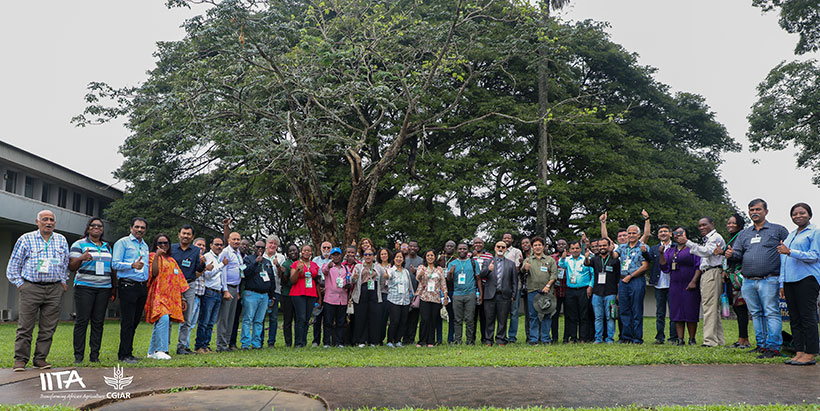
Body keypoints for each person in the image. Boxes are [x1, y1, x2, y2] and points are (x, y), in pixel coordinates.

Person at [725, 198, 790, 358]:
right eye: (751, 210)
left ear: (766, 211)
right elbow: (739, 254)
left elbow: (788, 253)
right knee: (755, 313)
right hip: (747, 280)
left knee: (771, 312)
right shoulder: (744, 233)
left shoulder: (778, 230)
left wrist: (783, 279)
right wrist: (731, 254)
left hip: (769, 279)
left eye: (758, 209)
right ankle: (761, 345)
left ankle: (773, 347)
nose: (754, 212)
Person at [7, 210, 69, 372]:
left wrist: (63, 281)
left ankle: (40, 359)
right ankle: (20, 360)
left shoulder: (61, 240)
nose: (49, 222)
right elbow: (13, 266)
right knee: (25, 326)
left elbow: (65, 264)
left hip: (54, 289)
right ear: (37, 221)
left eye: (52, 220)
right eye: (45, 219)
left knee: (48, 327)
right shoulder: (26, 239)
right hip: (31, 287)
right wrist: (21, 284)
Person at [68, 217, 115, 364]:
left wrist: (114, 289)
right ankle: (79, 356)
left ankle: (95, 356)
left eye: (100, 226)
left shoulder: (107, 246)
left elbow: (112, 269)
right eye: (93, 225)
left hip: (104, 288)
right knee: (82, 321)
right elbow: (71, 266)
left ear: (102, 229)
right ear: (88, 228)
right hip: (85, 287)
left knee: (98, 322)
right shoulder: (79, 244)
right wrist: (82, 257)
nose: (97, 228)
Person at [778, 202, 819, 366]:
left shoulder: (815, 232)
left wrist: (791, 251)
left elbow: (815, 256)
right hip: (789, 281)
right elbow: (783, 260)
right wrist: (781, 283)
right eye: (794, 214)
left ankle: (810, 353)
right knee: (794, 318)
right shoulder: (791, 235)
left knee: (807, 317)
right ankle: (799, 351)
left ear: (809, 214)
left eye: (802, 213)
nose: (798, 216)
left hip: (807, 279)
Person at [112, 217, 150, 364]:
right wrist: (131, 265)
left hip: (141, 286)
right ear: (131, 228)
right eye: (137, 227)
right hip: (128, 285)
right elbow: (115, 264)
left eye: (142, 228)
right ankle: (124, 354)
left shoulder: (145, 246)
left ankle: (129, 351)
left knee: (135, 321)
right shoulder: (122, 243)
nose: (139, 230)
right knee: (127, 321)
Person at [145, 234, 190, 360]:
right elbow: (153, 273)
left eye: (166, 243)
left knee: (162, 322)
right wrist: (157, 256)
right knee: (163, 319)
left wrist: (183, 298)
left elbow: (179, 280)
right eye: (160, 243)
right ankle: (161, 349)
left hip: (172, 298)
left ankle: (151, 351)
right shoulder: (152, 256)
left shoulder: (172, 260)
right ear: (156, 245)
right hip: (158, 295)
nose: (163, 245)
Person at [686, 217, 726, 347]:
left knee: (709, 307)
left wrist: (688, 242)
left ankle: (709, 341)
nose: (702, 228)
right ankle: (718, 340)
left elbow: (707, 252)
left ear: (712, 224)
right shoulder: (708, 239)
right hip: (707, 272)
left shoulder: (715, 237)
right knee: (713, 308)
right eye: (700, 226)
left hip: (712, 272)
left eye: (704, 225)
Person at [660, 227, 702, 345]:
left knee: (690, 310)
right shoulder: (670, 250)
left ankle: (692, 338)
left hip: (690, 283)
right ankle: (680, 339)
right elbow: (665, 268)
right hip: (675, 284)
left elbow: (699, 266)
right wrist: (661, 254)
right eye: (676, 233)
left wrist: (694, 281)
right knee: (676, 311)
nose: (678, 235)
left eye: (681, 233)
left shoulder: (692, 248)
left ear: (686, 234)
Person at [612, 219, 650, 344]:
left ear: (638, 235)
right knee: (624, 309)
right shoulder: (622, 247)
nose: (631, 235)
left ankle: (637, 338)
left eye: (634, 233)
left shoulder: (643, 247)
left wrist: (631, 276)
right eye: (629, 233)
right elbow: (613, 257)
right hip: (623, 280)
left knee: (636, 309)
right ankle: (626, 337)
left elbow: (645, 266)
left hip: (636, 280)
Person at [170, 225, 205, 355]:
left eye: (188, 234)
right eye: (183, 233)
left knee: (187, 318)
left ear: (192, 237)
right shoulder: (171, 248)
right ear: (179, 234)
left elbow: (198, 269)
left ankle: (182, 347)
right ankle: (164, 347)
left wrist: (202, 263)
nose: (186, 236)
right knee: (168, 317)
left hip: (189, 285)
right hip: (172, 286)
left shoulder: (196, 251)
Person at [479, 241, 518, 346]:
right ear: (495, 248)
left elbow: (514, 281)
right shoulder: (487, 262)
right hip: (490, 295)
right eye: (498, 247)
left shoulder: (511, 264)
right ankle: (488, 340)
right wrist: (488, 270)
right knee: (489, 319)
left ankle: (500, 339)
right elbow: (481, 275)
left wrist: (513, 295)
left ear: (505, 249)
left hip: (504, 296)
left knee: (502, 319)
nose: (500, 248)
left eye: (503, 247)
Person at [195, 237, 229, 354]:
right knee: (204, 321)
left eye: (221, 245)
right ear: (211, 245)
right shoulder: (207, 257)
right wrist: (221, 266)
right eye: (216, 244)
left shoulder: (220, 257)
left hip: (218, 292)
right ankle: (199, 345)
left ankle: (206, 345)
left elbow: (222, 276)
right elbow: (208, 275)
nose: (219, 247)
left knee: (211, 322)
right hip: (209, 292)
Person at [521, 237, 557, 345]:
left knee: (546, 315)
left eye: (539, 245)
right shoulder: (528, 260)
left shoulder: (549, 260)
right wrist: (525, 268)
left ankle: (546, 338)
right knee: (533, 316)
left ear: (543, 247)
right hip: (532, 291)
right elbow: (522, 271)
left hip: (546, 292)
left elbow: (554, 275)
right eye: (535, 245)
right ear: (532, 247)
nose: (537, 247)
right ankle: (534, 339)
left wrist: (548, 286)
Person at [240, 240, 276, 349]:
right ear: (254, 248)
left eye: (262, 247)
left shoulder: (267, 262)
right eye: (258, 247)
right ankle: (245, 344)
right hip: (251, 294)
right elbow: (245, 273)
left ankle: (256, 344)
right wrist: (255, 262)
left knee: (259, 321)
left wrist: (272, 295)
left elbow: (272, 279)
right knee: (248, 319)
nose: (260, 249)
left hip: (264, 295)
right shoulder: (247, 259)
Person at [723, 213, 751, 348]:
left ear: (740, 224)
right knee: (737, 308)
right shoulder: (732, 238)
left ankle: (744, 340)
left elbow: (742, 255)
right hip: (730, 276)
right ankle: (742, 339)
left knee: (741, 308)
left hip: (739, 277)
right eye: (729, 223)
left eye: (733, 223)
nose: (730, 225)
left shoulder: (742, 236)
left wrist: (731, 255)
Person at [586, 238, 620, 343]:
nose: (602, 248)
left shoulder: (615, 260)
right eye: (600, 246)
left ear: (609, 246)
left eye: (604, 245)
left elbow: (618, 277)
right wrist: (586, 257)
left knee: (610, 317)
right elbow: (587, 263)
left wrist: (618, 293)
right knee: (598, 317)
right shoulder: (595, 259)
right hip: (597, 293)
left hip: (611, 293)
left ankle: (610, 339)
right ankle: (598, 338)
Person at [559, 241, 594, 343]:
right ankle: (573, 337)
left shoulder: (586, 259)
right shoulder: (567, 260)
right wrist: (563, 257)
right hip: (570, 290)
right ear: (570, 250)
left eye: (577, 248)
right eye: (573, 248)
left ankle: (583, 338)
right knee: (571, 315)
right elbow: (560, 264)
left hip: (583, 290)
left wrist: (590, 287)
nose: (575, 250)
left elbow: (593, 274)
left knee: (584, 315)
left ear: (580, 249)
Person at [351, 247, 387, 346]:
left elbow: (383, 282)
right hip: (362, 292)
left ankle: (373, 341)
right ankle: (361, 340)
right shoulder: (358, 266)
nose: (367, 256)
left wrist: (378, 288)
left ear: (374, 256)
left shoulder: (378, 267)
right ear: (363, 256)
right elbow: (352, 281)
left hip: (375, 292)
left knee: (374, 317)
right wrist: (354, 278)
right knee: (361, 317)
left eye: (370, 254)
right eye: (365, 255)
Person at [215, 232, 243, 352]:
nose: (236, 241)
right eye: (234, 239)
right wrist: (225, 290)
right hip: (227, 288)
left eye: (238, 239)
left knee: (231, 318)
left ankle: (226, 344)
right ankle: (221, 345)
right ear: (229, 240)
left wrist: (236, 290)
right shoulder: (226, 252)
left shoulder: (238, 253)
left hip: (234, 288)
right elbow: (223, 271)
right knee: (224, 318)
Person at [447, 243, 480, 344]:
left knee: (470, 319)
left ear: (467, 251)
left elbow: (478, 278)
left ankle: (470, 340)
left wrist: (480, 294)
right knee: (457, 319)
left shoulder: (473, 263)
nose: (462, 250)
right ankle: (458, 340)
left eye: (464, 249)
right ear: (457, 250)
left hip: (470, 293)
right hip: (457, 294)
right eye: (460, 249)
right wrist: (450, 273)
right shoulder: (452, 263)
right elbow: (448, 280)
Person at [648, 223, 674, 344]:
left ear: (670, 234)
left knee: (673, 312)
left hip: (673, 284)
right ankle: (659, 337)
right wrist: (644, 252)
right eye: (660, 232)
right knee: (660, 313)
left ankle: (673, 337)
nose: (663, 233)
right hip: (659, 284)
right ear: (658, 235)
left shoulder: (675, 247)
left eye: (665, 231)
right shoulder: (654, 249)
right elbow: (647, 260)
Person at [290, 244, 320, 348]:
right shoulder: (296, 264)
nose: (306, 252)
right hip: (298, 293)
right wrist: (298, 270)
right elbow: (292, 280)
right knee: (300, 318)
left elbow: (316, 280)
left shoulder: (314, 264)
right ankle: (298, 342)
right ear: (301, 252)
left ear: (311, 253)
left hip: (311, 293)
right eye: (304, 250)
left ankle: (304, 341)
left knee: (307, 318)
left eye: (309, 251)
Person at [416, 250, 447, 347]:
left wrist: (445, 296)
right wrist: (420, 274)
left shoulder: (439, 269)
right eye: (428, 255)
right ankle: (421, 341)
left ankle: (431, 341)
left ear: (435, 257)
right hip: (424, 297)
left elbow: (443, 283)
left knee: (433, 320)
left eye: (432, 255)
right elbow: (418, 278)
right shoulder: (422, 267)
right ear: (425, 257)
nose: (430, 257)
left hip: (436, 298)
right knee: (424, 319)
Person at [322, 247, 350, 347]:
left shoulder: (345, 268)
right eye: (334, 255)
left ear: (341, 256)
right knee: (328, 322)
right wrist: (329, 266)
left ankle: (338, 342)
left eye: (338, 255)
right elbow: (324, 271)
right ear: (331, 256)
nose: (336, 257)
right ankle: (326, 342)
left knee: (340, 322)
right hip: (330, 299)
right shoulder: (328, 266)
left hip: (342, 299)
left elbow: (348, 280)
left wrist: (349, 284)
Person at [262, 235, 285, 347]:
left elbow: (282, 275)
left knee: (274, 317)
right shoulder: (261, 255)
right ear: (266, 244)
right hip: (262, 290)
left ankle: (271, 341)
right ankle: (259, 340)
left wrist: (278, 266)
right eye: (270, 243)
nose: (272, 245)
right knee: (260, 317)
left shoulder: (280, 257)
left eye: (275, 244)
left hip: (275, 290)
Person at [385, 251, 412, 347]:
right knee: (394, 321)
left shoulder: (406, 271)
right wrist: (386, 275)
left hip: (405, 300)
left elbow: (409, 285)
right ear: (394, 259)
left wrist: (411, 295)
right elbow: (388, 276)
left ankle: (398, 340)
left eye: (401, 257)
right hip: (394, 299)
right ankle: (389, 340)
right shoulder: (391, 270)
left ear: (403, 259)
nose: (399, 259)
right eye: (397, 257)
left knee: (403, 321)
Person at [310, 241, 333, 347]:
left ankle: (327, 341)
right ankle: (316, 340)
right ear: (320, 248)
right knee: (317, 318)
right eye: (324, 247)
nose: (326, 250)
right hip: (318, 291)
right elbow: (314, 276)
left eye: (328, 248)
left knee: (329, 318)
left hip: (331, 292)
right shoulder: (315, 260)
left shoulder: (334, 260)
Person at [502, 233, 523, 343]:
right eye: (504, 238)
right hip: (501, 287)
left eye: (508, 238)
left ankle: (512, 337)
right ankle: (502, 335)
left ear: (512, 240)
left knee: (514, 312)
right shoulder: (499, 251)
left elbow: (516, 269)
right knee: (503, 312)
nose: (506, 239)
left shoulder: (516, 252)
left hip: (514, 286)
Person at [471, 237, 492, 344]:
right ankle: (472, 338)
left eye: (480, 243)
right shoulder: (469, 256)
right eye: (475, 243)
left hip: (486, 286)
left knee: (485, 314)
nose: (477, 245)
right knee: (473, 314)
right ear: (473, 245)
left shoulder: (489, 256)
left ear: (483, 244)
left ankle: (484, 338)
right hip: (472, 287)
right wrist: (472, 256)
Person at [403, 240, 424, 345]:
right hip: (404, 293)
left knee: (414, 318)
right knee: (404, 317)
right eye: (410, 246)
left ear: (418, 249)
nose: (412, 248)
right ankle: (404, 338)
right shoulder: (404, 260)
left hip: (417, 292)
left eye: (415, 246)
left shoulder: (421, 261)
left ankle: (411, 338)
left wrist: (415, 272)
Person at [437, 241, 457, 344]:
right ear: (444, 247)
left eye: (451, 246)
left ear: (454, 249)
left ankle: (450, 339)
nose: (449, 247)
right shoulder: (439, 259)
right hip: (439, 291)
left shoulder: (456, 261)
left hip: (451, 290)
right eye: (447, 246)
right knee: (438, 315)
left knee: (452, 315)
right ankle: (439, 339)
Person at [279, 244, 298, 347]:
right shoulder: (286, 264)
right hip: (287, 295)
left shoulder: (301, 262)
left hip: (299, 294)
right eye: (290, 251)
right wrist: (283, 273)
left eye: (294, 250)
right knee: (288, 319)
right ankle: (288, 342)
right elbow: (284, 281)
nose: (292, 253)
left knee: (298, 319)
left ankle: (298, 341)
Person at [550, 238, 568, 343]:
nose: (561, 246)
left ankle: (566, 338)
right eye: (559, 244)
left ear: (567, 246)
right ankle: (555, 338)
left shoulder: (570, 257)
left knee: (568, 315)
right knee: (554, 315)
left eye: (563, 244)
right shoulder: (552, 257)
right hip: (555, 291)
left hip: (567, 290)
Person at [377, 247, 393, 345]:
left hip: (389, 294)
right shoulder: (376, 266)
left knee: (385, 317)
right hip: (378, 293)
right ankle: (378, 338)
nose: (384, 256)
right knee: (378, 317)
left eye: (385, 254)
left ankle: (385, 338)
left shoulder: (392, 267)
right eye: (382, 254)